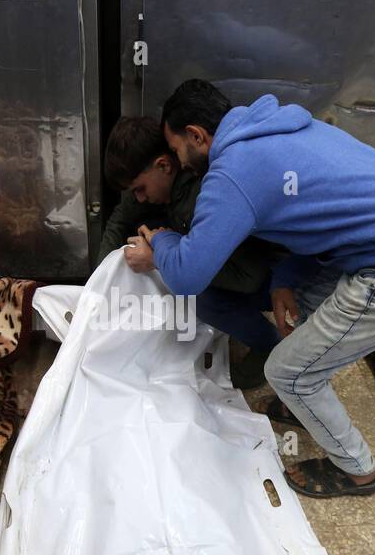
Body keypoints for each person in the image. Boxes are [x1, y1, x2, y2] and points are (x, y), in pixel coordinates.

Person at [124, 79, 375, 499]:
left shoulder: (231, 174)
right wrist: (285, 280)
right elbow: (323, 221)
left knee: (287, 372)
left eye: (179, 149)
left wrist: (160, 243)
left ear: (197, 136)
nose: (181, 162)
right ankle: (308, 403)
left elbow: (188, 276)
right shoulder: (282, 126)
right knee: (303, 331)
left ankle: (356, 471)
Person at [101, 116, 280, 387]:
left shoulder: (206, 195)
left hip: (271, 276)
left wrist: (160, 259)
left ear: (164, 165)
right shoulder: (156, 177)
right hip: (237, 265)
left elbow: (246, 275)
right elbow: (121, 218)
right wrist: (100, 282)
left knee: (196, 295)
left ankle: (270, 345)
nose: (139, 197)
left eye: (140, 189)